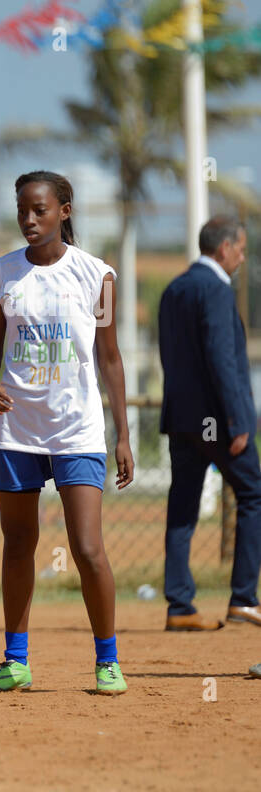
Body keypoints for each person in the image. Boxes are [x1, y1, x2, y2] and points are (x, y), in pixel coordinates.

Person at [0, 170, 133, 696]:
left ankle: (107, 661)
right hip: (15, 430)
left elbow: (110, 359)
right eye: (22, 210)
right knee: (18, 543)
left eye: (39, 209)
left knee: (87, 548)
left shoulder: (97, 276)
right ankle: (15, 660)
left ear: (65, 210)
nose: (28, 219)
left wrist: (123, 436)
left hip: (76, 432)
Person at [158, 215, 260, 631]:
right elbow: (222, 359)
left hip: (181, 419)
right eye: (240, 248)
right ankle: (243, 598)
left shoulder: (174, 289)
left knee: (182, 505)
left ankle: (180, 605)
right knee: (253, 494)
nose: (242, 255)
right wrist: (237, 419)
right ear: (223, 248)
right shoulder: (216, 289)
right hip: (216, 421)